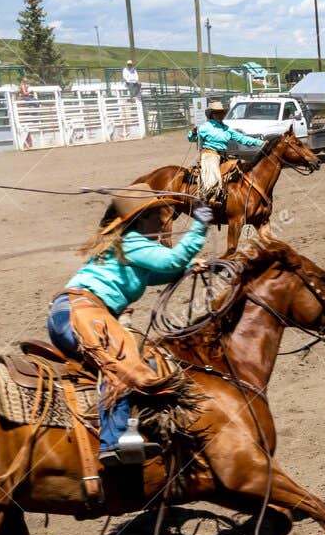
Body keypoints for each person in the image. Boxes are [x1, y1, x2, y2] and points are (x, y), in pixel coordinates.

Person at [47, 198, 214, 463]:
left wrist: (187, 267)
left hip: (75, 311)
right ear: (140, 220)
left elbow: (160, 271)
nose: (162, 222)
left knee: (137, 356)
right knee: (123, 365)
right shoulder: (134, 241)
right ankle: (112, 443)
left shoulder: (129, 247)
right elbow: (170, 261)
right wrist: (199, 226)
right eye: (156, 217)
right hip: (82, 313)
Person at [186, 100, 264, 207]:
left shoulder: (227, 129)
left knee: (240, 170)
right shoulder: (205, 127)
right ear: (212, 114)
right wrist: (193, 132)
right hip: (210, 155)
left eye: (221, 112)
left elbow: (242, 138)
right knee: (213, 176)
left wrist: (261, 143)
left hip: (223, 156)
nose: (220, 115)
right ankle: (207, 197)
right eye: (217, 112)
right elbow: (192, 138)